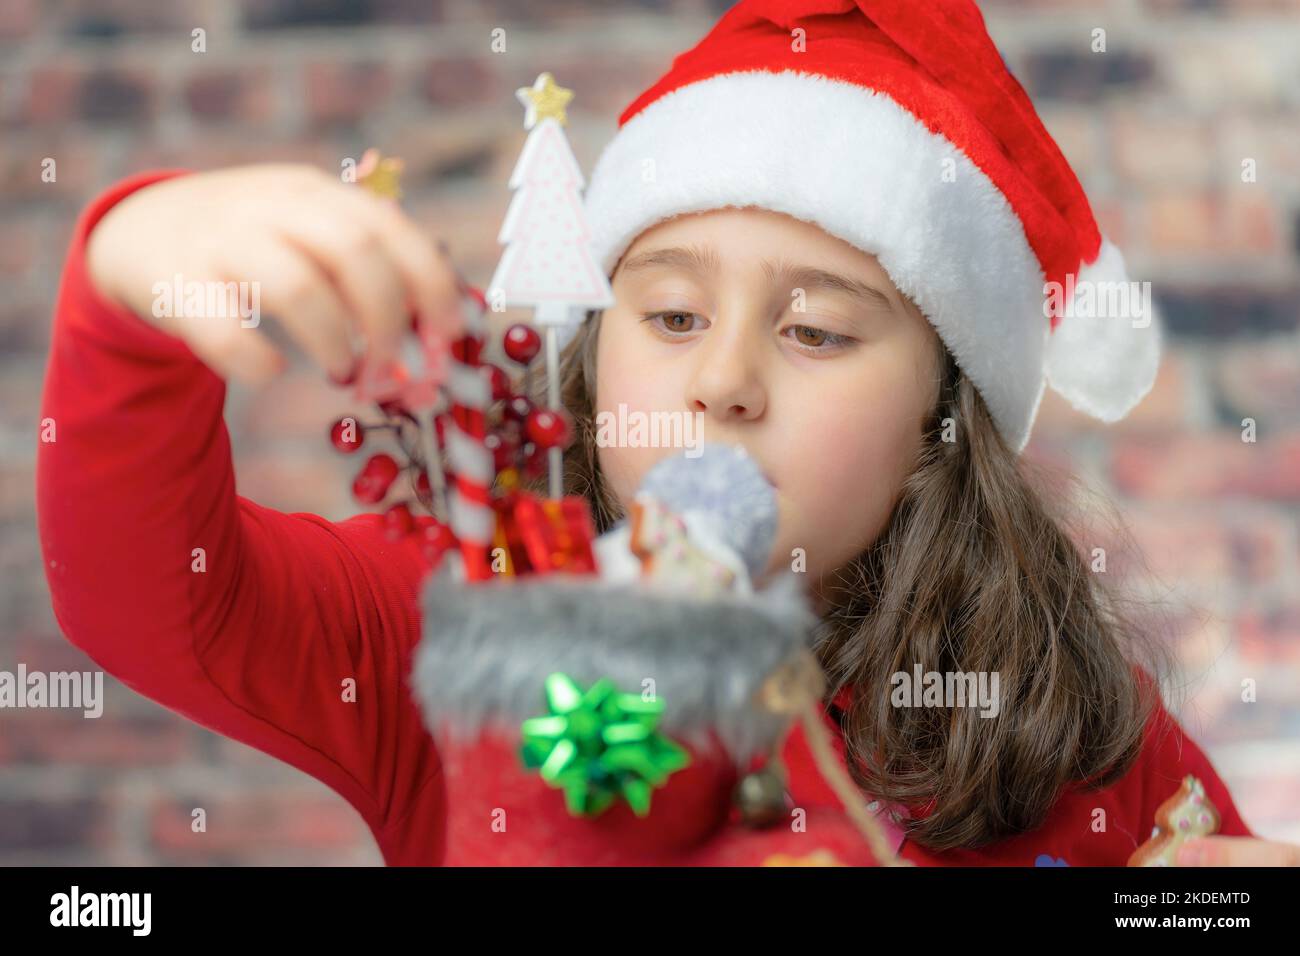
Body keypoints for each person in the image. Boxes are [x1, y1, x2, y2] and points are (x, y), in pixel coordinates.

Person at [36, 0, 1298, 866]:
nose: (724, 381)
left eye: (815, 332)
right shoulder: (475, 616)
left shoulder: (1072, 719)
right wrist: (130, 287)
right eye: (675, 312)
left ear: (939, 422)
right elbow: (150, 600)